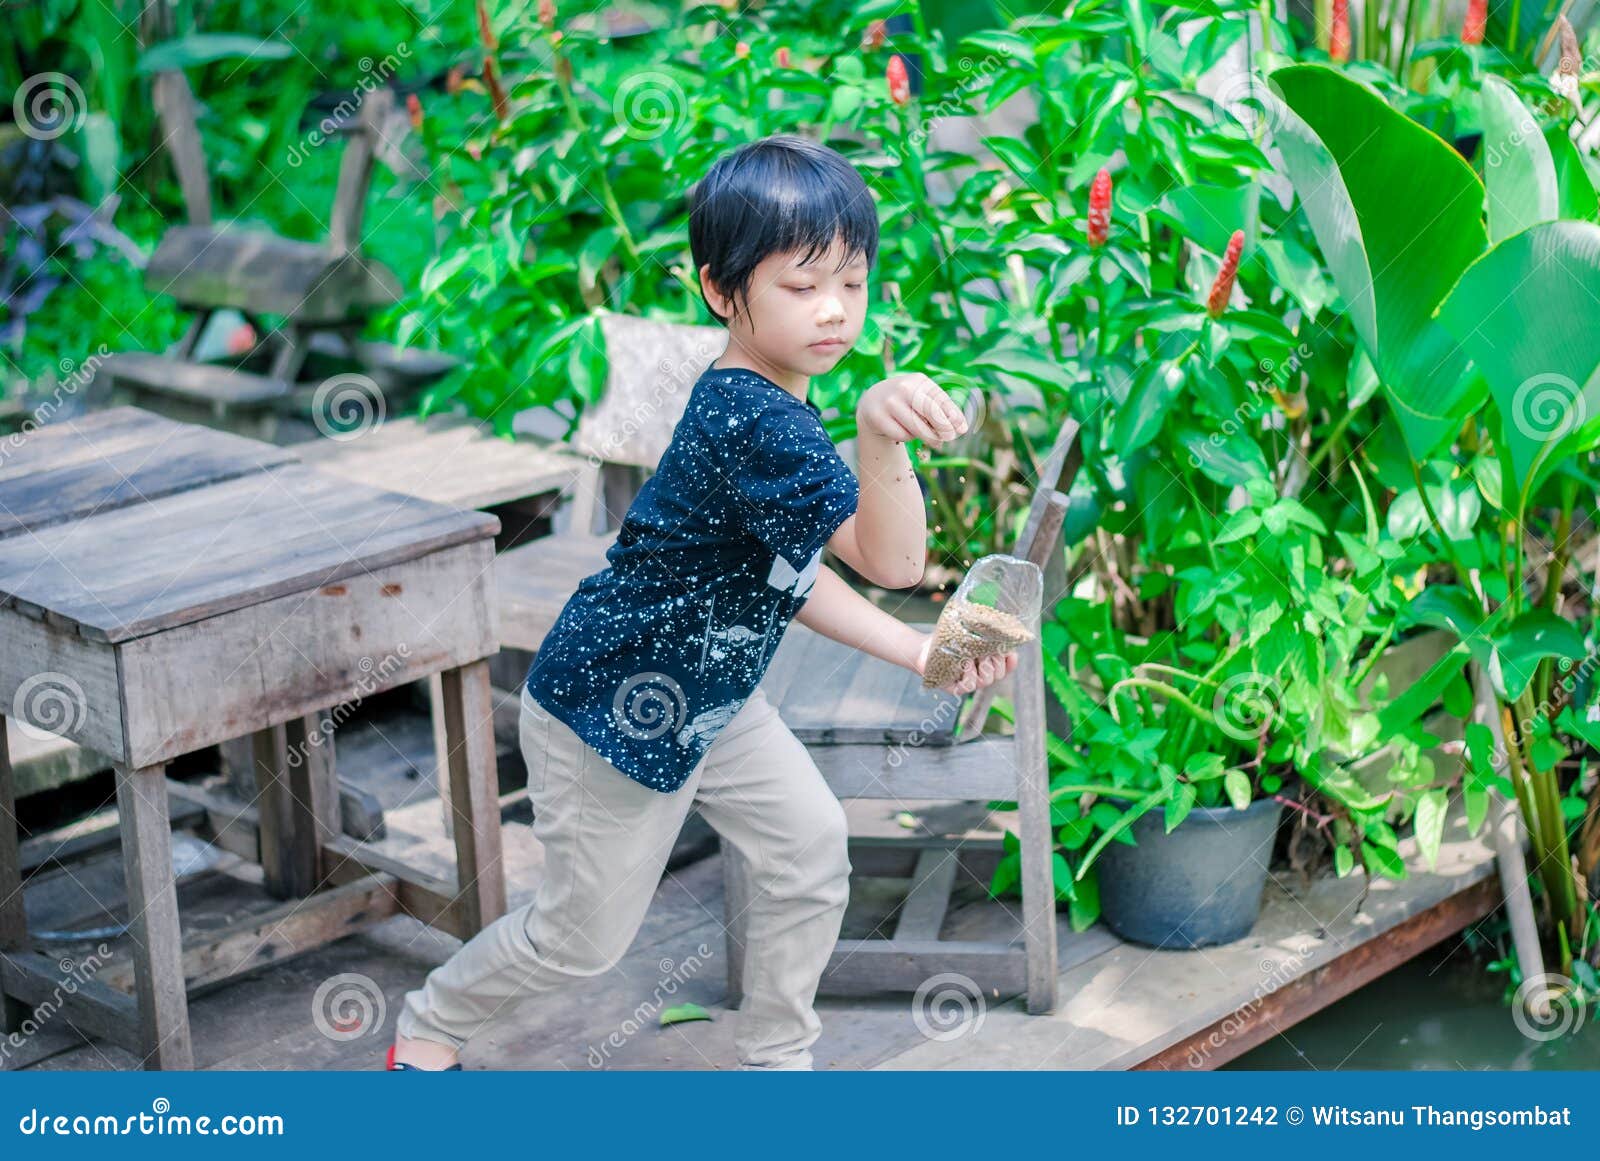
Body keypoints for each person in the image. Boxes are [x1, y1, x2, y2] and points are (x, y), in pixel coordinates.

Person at [387, 134, 1017, 1072]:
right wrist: (880, 436)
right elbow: (894, 560)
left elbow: (793, 577)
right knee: (580, 939)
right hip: (613, 710)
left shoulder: (775, 406)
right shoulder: (752, 414)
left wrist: (920, 655)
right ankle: (430, 1024)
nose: (835, 310)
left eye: (851, 280)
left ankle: (776, 1060)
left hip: (713, 700)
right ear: (721, 291)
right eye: (800, 287)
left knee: (808, 845)